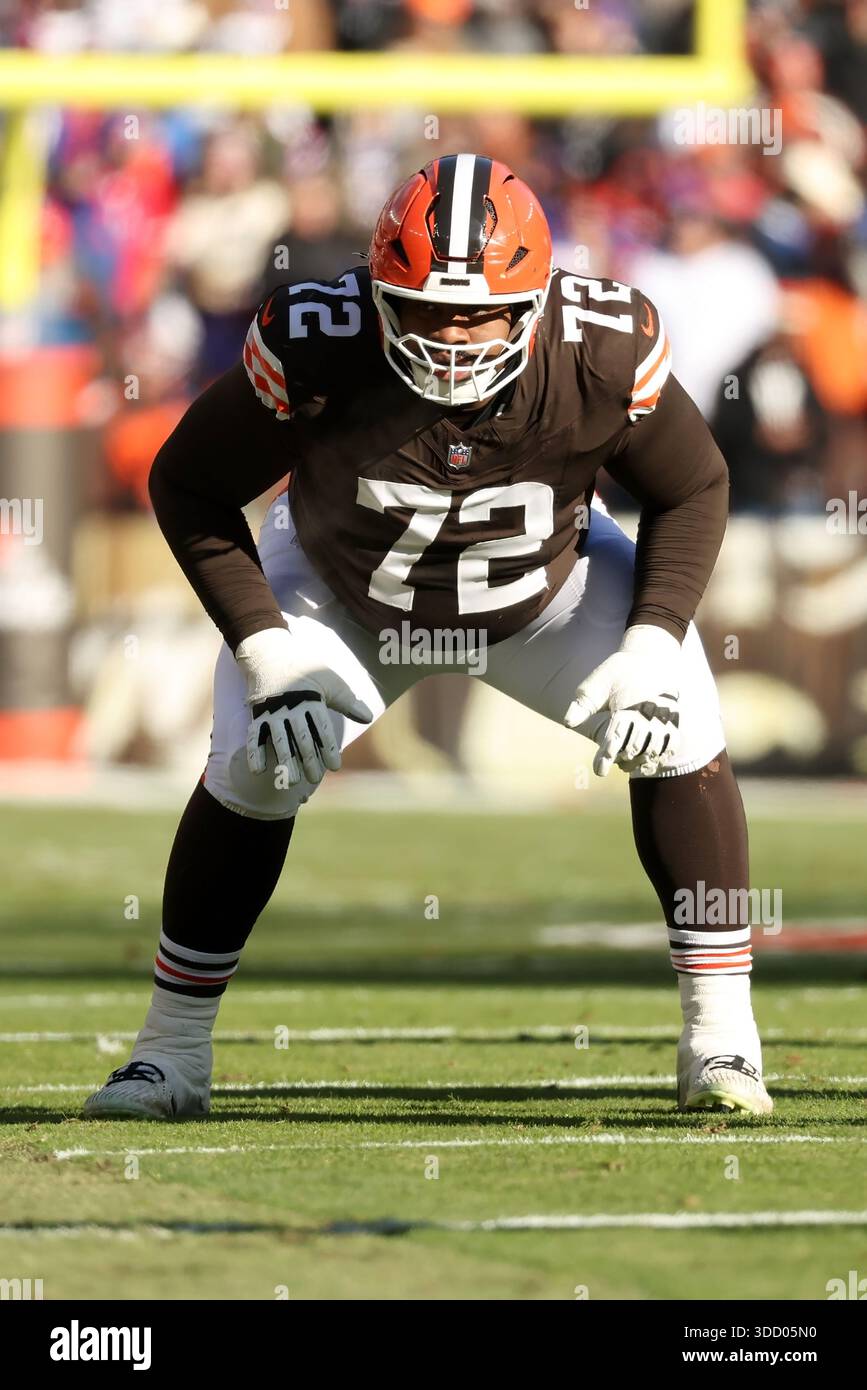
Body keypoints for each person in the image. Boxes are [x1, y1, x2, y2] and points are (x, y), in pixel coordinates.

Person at [84, 154, 772, 1120]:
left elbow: (692, 486)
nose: (453, 337)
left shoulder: (604, 344)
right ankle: (169, 1054)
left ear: (535, 300)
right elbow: (187, 484)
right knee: (257, 764)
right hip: (344, 591)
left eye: (479, 312)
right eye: (426, 309)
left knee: (684, 728)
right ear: (379, 294)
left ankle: (721, 1042)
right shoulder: (315, 341)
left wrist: (651, 642)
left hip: (547, 589)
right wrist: (268, 649)